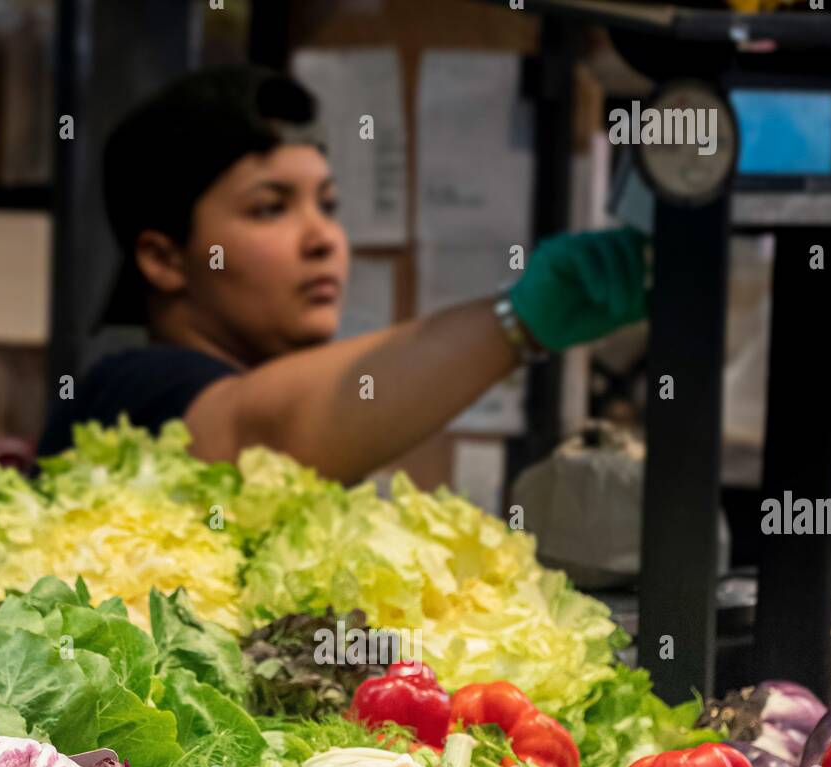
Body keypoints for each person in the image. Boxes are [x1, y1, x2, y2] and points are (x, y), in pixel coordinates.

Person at [39, 65, 648, 483]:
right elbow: (268, 435)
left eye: (328, 205)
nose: (324, 238)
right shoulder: (126, 396)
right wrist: (518, 323)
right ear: (164, 259)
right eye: (270, 208)